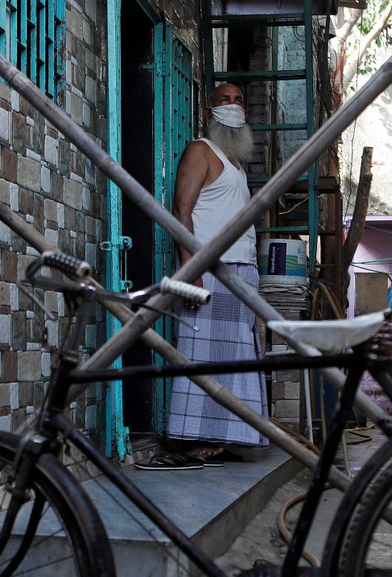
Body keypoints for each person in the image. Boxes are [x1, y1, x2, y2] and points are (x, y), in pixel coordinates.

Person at [136, 83, 269, 470]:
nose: (233, 107)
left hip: (240, 270)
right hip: (208, 270)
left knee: (233, 356)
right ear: (209, 112)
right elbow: (182, 210)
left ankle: (220, 437)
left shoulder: (236, 163)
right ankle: (196, 439)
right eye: (224, 101)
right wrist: (190, 270)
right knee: (201, 354)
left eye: (239, 100)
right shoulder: (201, 151)